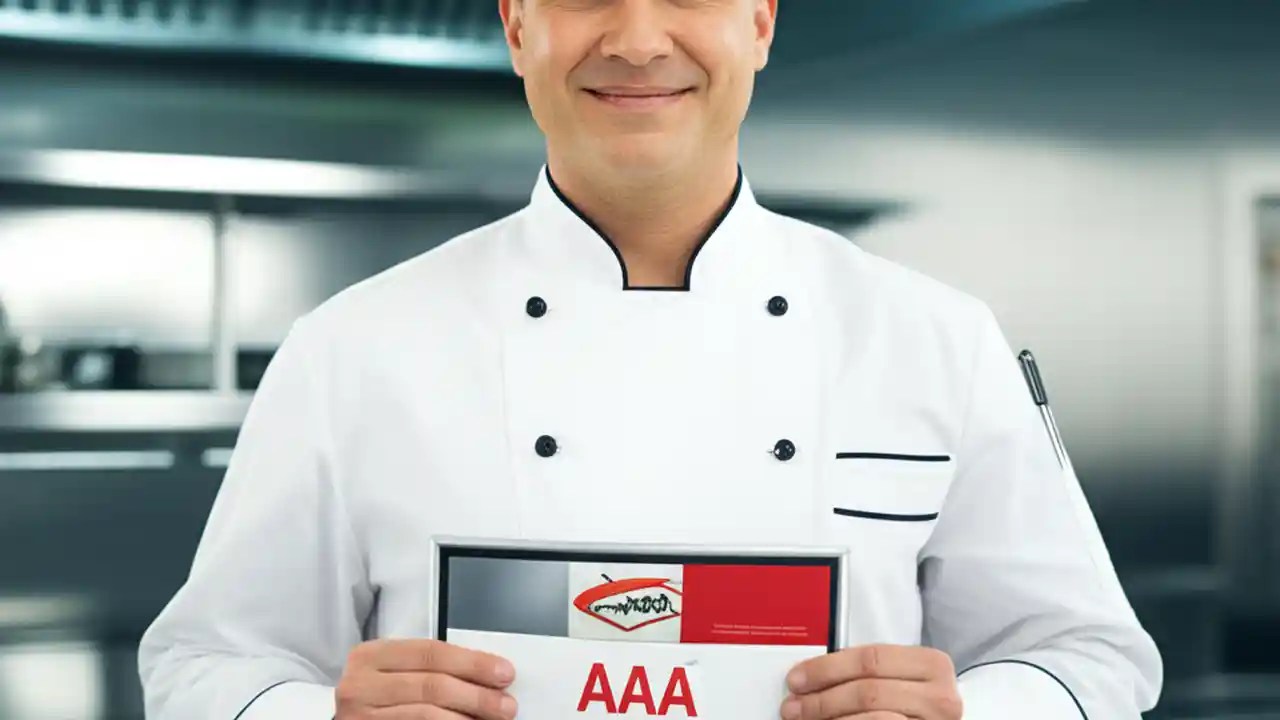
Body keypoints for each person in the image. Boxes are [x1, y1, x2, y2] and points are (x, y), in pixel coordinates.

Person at [137, 1, 1164, 718]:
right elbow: (205, 663)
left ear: (758, 21)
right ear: (516, 24)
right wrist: (318, 716)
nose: (635, 40)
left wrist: (968, 712)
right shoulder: (350, 348)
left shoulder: (934, 339)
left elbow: (1087, 658)